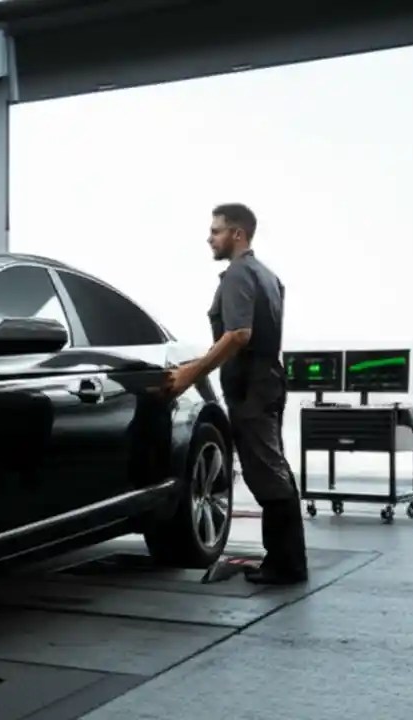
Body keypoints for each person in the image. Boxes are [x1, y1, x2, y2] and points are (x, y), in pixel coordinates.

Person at [162, 203, 308, 585]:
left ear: (237, 234)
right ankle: (288, 561)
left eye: (216, 231)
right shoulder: (268, 277)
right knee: (274, 466)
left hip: (250, 386)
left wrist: (191, 373)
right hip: (268, 380)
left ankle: (286, 566)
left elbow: (239, 335)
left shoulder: (239, 276)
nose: (210, 238)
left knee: (265, 472)